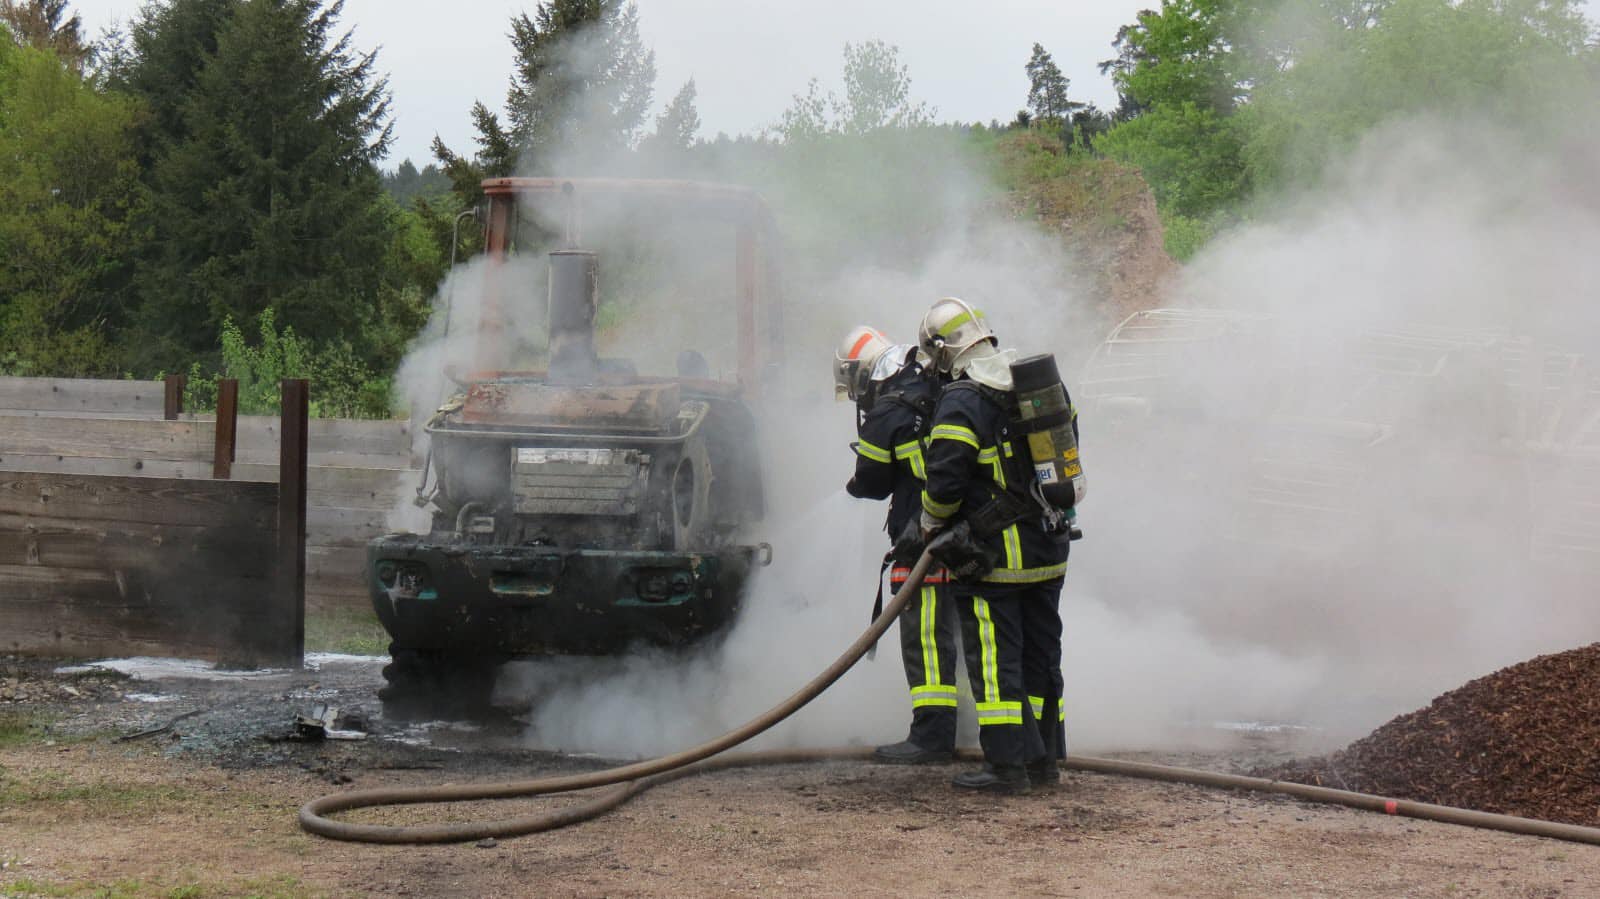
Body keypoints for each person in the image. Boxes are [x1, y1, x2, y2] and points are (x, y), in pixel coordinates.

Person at [914, 297, 1075, 794]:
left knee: (994, 661)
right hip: (1050, 547)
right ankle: (1044, 763)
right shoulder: (1035, 382)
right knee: (1042, 657)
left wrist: (928, 524)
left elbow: (945, 478)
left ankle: (1007, 768)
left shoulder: (964, 398)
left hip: (997, 560)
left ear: (943, 350)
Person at [834, 325, 963, 764]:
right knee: (966, 636)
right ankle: (984, 731)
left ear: (864, 373)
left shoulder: (888, 411)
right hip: (969, 536)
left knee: (926, 637)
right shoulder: (938, 386)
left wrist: (853, 486)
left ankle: (932, 737)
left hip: (920, 538)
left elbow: (870, 482)